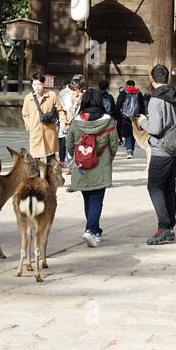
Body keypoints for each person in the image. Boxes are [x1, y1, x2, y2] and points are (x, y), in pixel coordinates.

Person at [66, 88, 119, 247]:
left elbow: (69, 144)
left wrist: (77, 158)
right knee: (96, 200)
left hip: (81, 166)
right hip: (100, 165)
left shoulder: (76, 121)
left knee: (88, 199)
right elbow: (114, 144)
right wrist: (108, 159)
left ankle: (95, 231)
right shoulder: (108, 120)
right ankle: (90, 230)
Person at [143, 65, 176, 245]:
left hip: (161, 149)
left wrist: (143, 122)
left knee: (154, 186)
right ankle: (170, 226)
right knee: (169, 187)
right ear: (167, 78)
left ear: (152, 79)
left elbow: (155, 128)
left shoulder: (155, 100)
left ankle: (164, 226)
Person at [21, 72, 61, 164]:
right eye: (34, 84)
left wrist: (63, 123)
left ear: (43, 84)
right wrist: (29, 125)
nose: (37, 87)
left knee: (51, 157)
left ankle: (50, 177)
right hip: (35, 130)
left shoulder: (51, 95)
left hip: (49, 130)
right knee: (35, 158)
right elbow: (25, 114)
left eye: (39, 84)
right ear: (32, 85)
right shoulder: (28, 98)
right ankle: (37, 177)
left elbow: (60, 109)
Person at [56, 75, 83, 164]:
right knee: (64, 142)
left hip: (75, 122)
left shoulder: (80, 95)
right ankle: (63, 161)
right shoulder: (65, 95)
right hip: (64, 121)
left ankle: (71, 162)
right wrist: (66, 123)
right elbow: (64, 110)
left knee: (72, 143)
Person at [117, 78, 144, 158]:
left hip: (125, 116)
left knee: (127, 133)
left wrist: (117, 114)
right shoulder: (139, 93)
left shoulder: (124, 92)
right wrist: (141, 114)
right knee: (134, 133)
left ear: (127, 85)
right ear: (134, 85)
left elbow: (119, 103)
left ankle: (129, 151)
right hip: (135, 116)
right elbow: (142, 105)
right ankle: (131, 149)